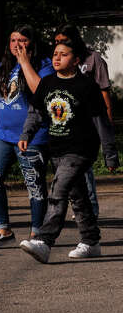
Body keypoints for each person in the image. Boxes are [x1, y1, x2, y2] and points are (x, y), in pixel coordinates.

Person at [18, 35, 118, 263]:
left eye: (64, 55)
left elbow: (101, 121)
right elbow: (35, 112)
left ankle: (44, 241)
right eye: (55, 54)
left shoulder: (86, 86)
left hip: (81, 149)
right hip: (57, 149)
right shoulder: (47, 83)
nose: (57, 58)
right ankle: (91, 241)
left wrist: (110, 154)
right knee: (78, 195)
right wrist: (26, 135)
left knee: (58, 191)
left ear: (76, 60)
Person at [0, 26, 51, 247]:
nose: (16, 45)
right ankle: (4, 231)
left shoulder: (44, 65)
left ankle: (36, 234)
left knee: (34, 184)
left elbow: (40, 91)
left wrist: (25, 63)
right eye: (12, 40)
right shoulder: (4, 66)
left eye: (22, 40)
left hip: (32, 135)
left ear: (32, 43)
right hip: (2, 134)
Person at [55, 25, 116, 218]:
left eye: (63, 41)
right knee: (71, 170)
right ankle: (81, 208)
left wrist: (106, 120)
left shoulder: (92, 58)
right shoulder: (58, 59)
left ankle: (90, 211)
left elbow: (104, 90)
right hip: (65, 120)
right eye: (56, 42)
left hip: (88, 121)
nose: (58, 45)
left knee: (84, 168)